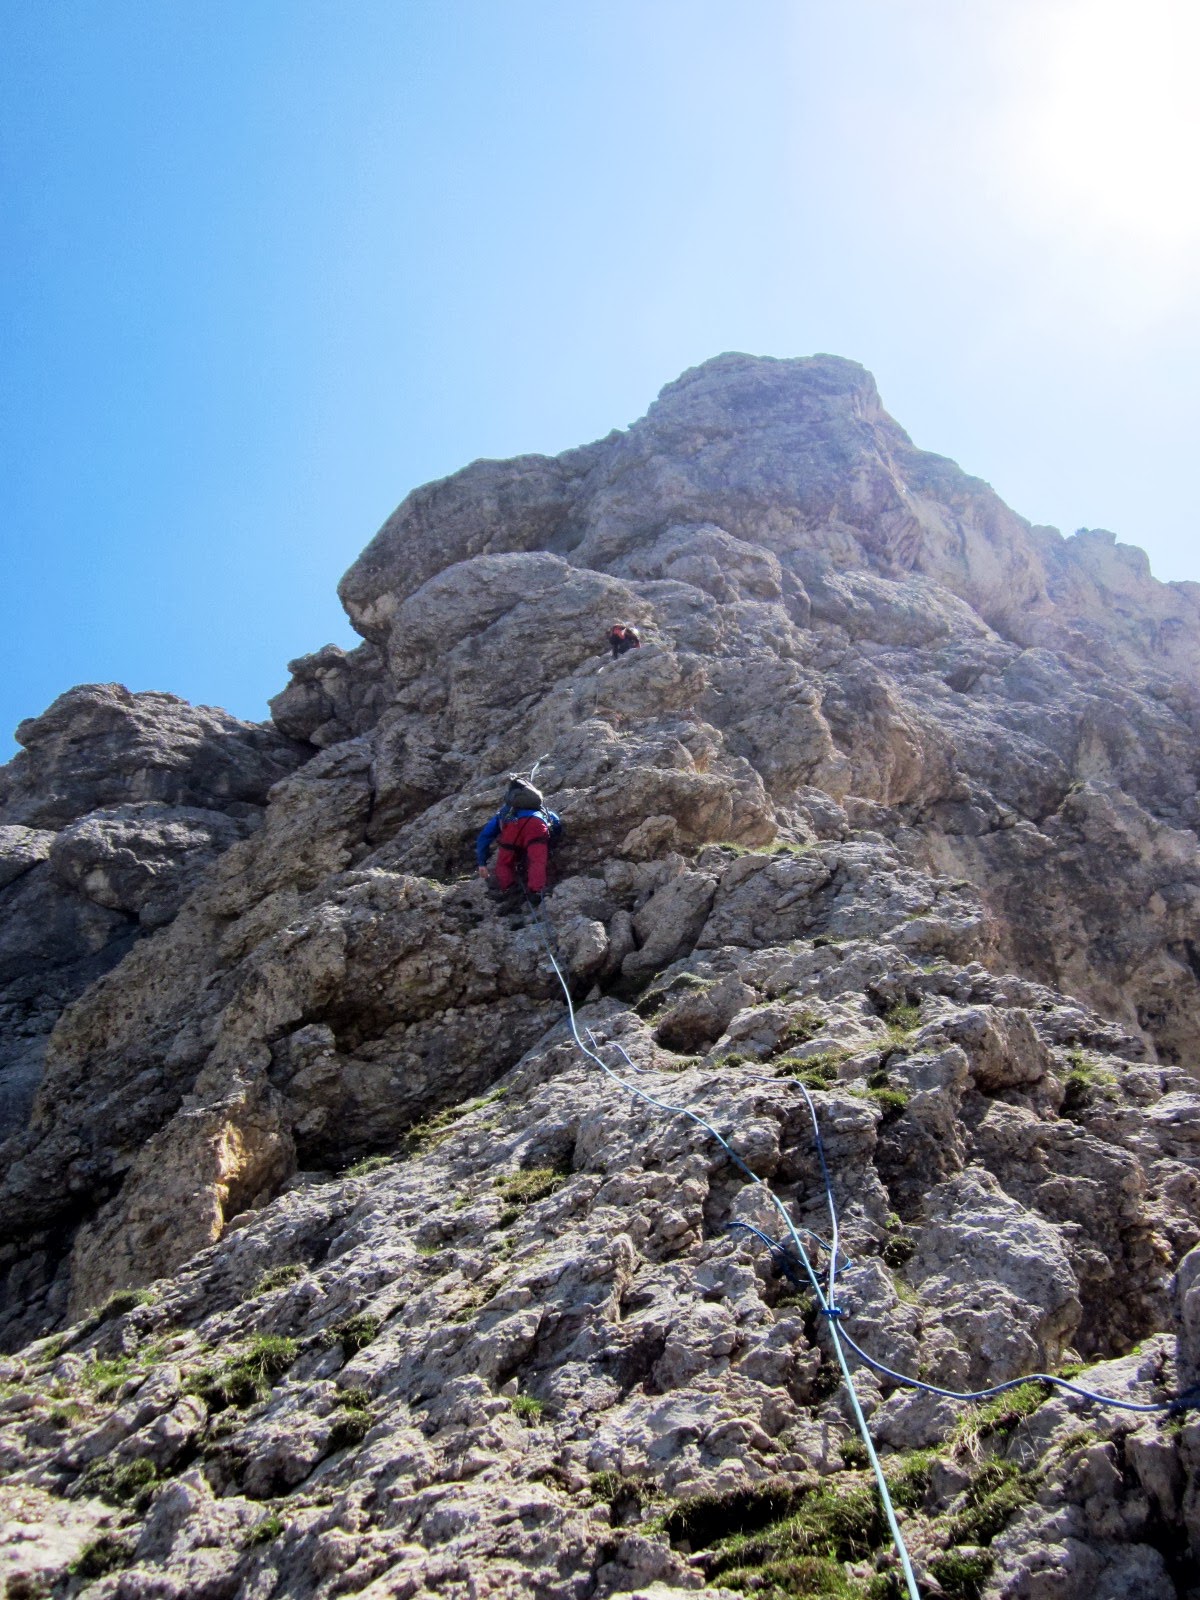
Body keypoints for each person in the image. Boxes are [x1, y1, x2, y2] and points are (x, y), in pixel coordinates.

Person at [476, 777, 562, 906]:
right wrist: (552, 840)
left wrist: (482, 862)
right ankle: (537, 890)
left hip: (512, 827)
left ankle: (509, 889)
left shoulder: (505, 812)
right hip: (536, 825)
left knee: (504, 863)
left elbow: (485, 836)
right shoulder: (539, 808)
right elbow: (556, 821)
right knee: (537, 860)